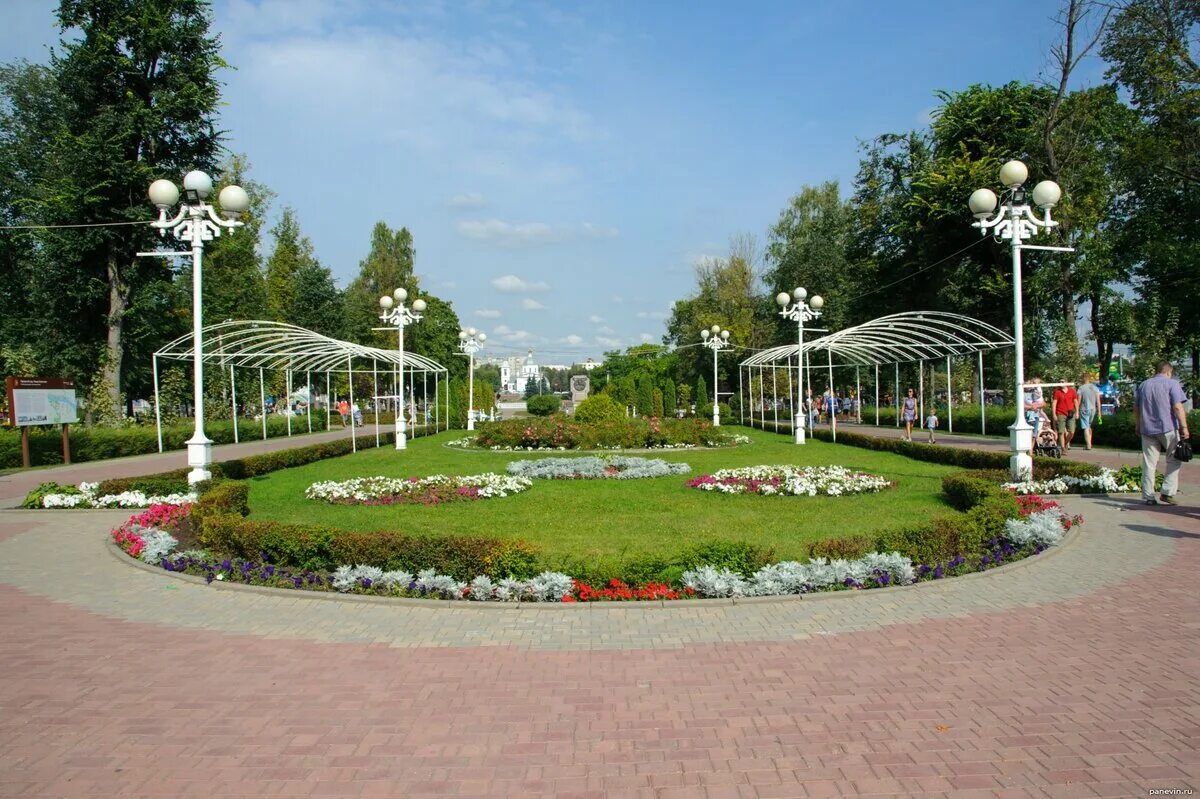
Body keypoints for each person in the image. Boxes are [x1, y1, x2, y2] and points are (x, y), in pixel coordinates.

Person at [1134, 361, 1190, 505]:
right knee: (1174, 459)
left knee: (1149, 463)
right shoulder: (1172, 384)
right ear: (1169, 372)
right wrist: (1184, 427)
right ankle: (1167, 492)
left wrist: (1138, 425)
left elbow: (1137, 407)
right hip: (1168, 427)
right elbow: (1177, 407)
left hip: (1147, 428)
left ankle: (1148, 496)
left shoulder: (1143, 385)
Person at [1077, 373, 1102, 450]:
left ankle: (1088, 445)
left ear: (1084, 378)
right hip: (1093, 409)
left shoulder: (1081, 388)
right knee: (1089, 426)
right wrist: (1099, 412)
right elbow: (1098, 401)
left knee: (1086, 427)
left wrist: (1076, 410)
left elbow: (1078, 401)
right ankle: (1090, 443)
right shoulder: (1095, 388)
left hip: (1084, 409)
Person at [1052, 380, 1079, 452]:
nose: (1061, 383)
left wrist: (1077, 412)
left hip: (1070, 413)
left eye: (1063, 382)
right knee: (1061, 431)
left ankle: (1065, 443)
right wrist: (1054, 414)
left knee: (1072, 431)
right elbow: (1054, 403)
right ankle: (1063, 448)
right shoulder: (1057, 392)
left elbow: (1075, 402)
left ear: (1066, 383)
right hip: (1060, 413)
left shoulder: (1072, 391)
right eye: (1060, 382)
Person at [1024, 376, 1045, 457]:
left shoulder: (1035, 393)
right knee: (1027, 434)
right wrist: (1031, 407)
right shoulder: (1022, 394)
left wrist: (1036, 406)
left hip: (1035, 415)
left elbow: (1043, 404)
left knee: (1034, 435)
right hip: (1027, 415)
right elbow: (1022, 405)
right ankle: (1027, 450)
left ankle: (1031, 450)